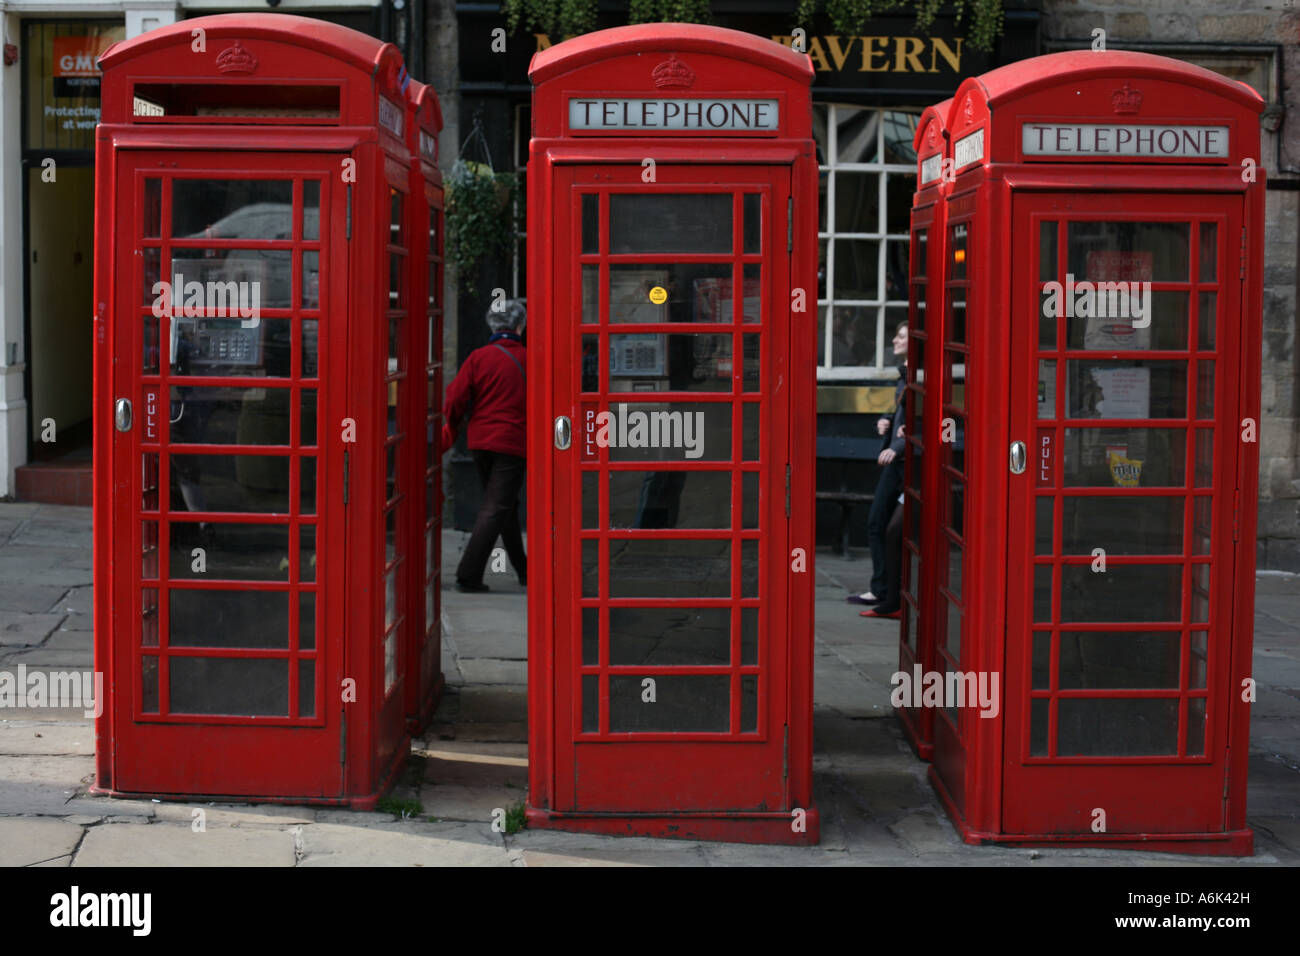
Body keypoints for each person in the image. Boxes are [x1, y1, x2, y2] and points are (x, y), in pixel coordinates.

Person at [442, 298, 527, 592]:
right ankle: (468, 574)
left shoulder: (478, 357)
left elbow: (454, 398)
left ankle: (524, 569)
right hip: (513, 442)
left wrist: (452, 427)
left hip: (479, 442)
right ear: (519, 325)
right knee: (496, 507)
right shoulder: (530, 358)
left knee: (505, 506)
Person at [847, 322, 907, 607]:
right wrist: (886, 418)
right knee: (882, 525)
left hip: (903, 462)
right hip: (898, 460)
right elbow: (903, 413)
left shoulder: (918, 377)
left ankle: (885, 590)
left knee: (880, 525)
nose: (895, 339)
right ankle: (884, 589)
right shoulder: (905, 377)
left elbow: (923, 422)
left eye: (901, 335)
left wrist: (897, 446)